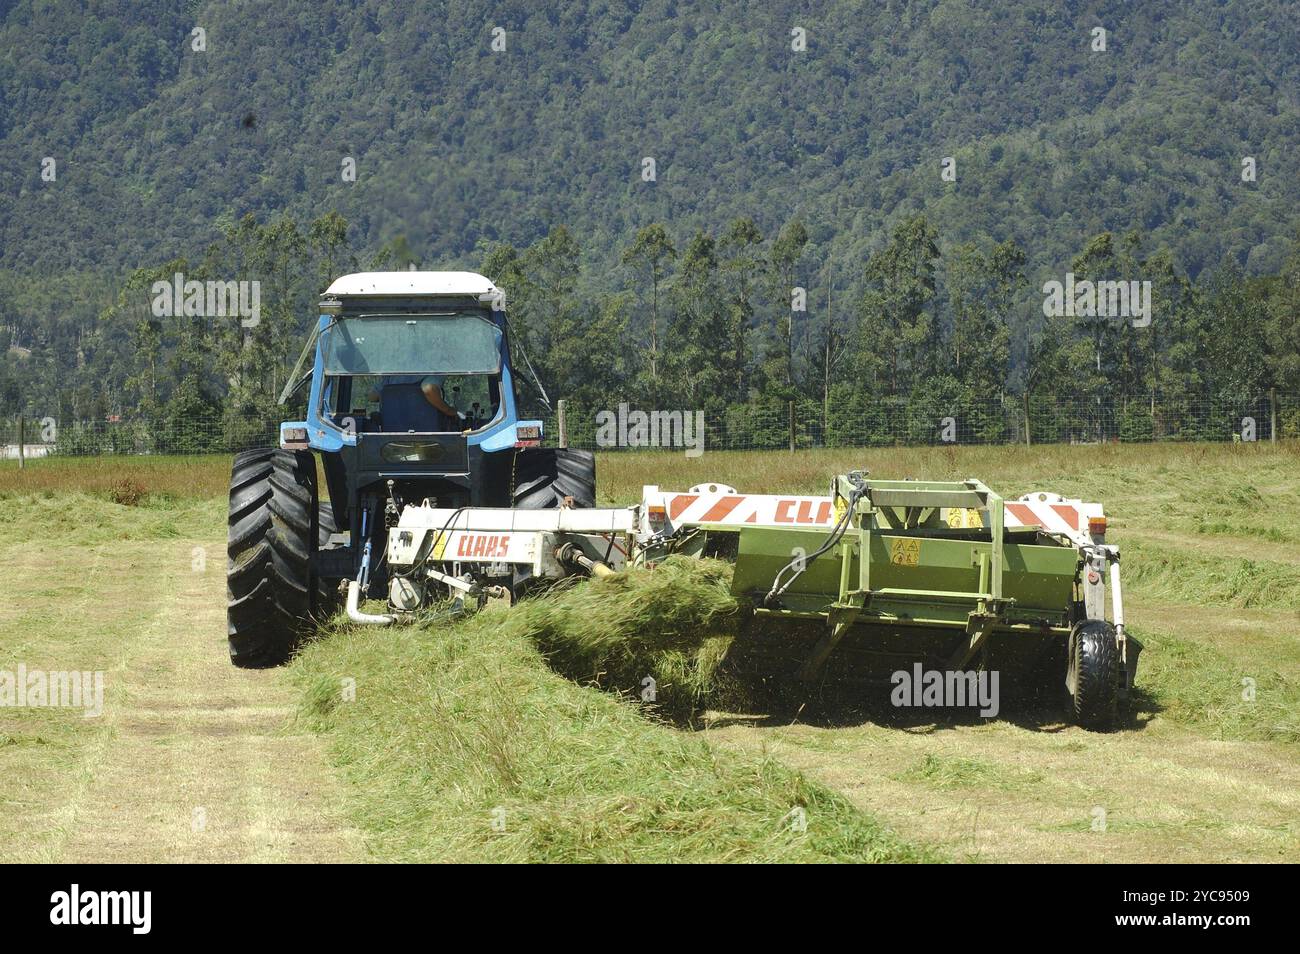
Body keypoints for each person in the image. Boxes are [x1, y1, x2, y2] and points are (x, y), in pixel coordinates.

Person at [370, 374, 464, 432]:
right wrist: (449, 411)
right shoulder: (433, 368)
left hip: (390, 438)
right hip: (430, 437)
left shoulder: (394, 372)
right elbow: (428, 389)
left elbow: (372, 396)